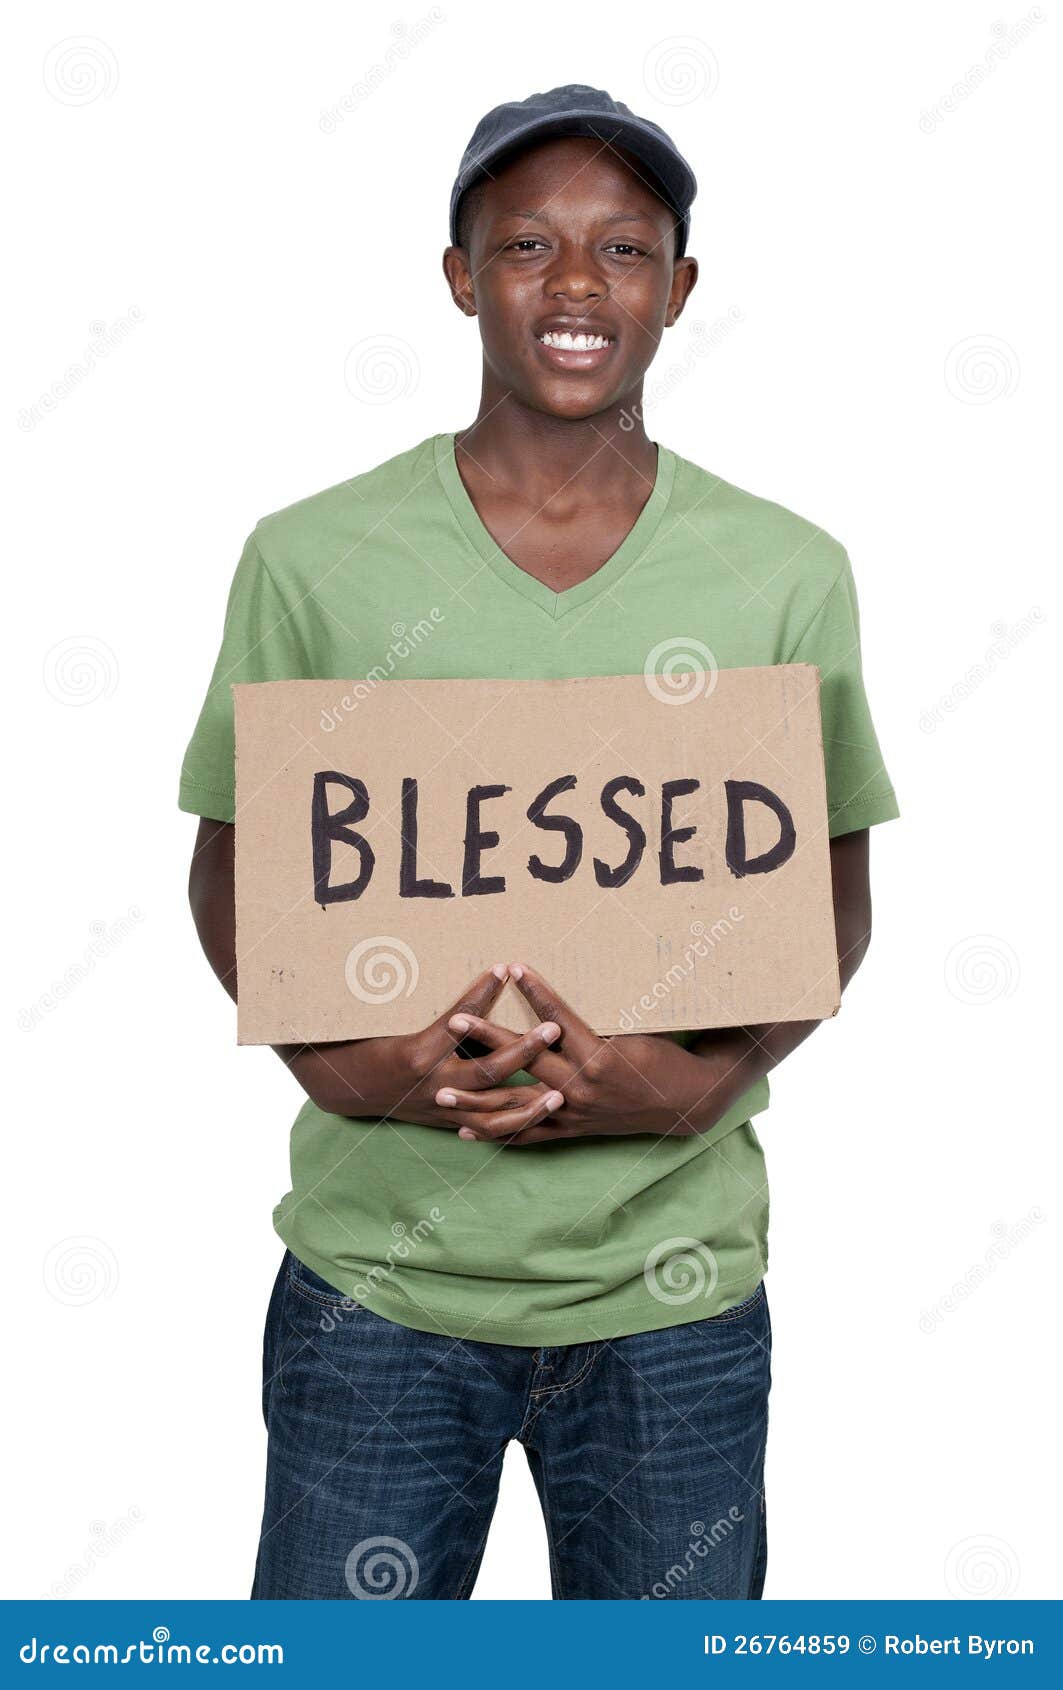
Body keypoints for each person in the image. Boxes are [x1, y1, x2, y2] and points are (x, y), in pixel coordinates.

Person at [180, 85, 899, 1600]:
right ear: (459, 275)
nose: (578, 286)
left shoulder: (784, 572)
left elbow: (828, 895)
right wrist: (352, 1067)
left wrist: (689, 1084)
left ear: (679, 289)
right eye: (528, 245)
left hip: (671, 1294)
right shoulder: (314, 559)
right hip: (377, 1282)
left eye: (625, 249)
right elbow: (232, 860)